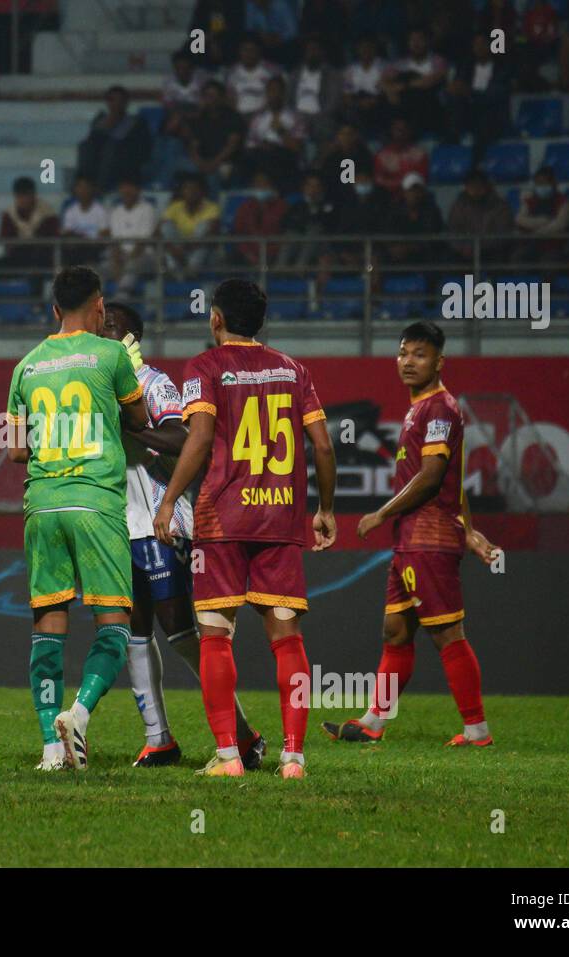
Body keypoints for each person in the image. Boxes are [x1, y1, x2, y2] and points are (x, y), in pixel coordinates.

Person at [154, 279, 337, 778]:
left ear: (216, 319)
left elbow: (201, 436)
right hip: (279, 517)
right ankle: (294, 757)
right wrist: (323, 508)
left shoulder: (205, 367)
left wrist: (169, 499)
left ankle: (230, 757)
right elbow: (322, 446)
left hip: (222, 518)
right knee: (286, 636)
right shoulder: (294, 369)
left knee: (215, 634)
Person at [99, 302, 267, 769]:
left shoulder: (154, 384)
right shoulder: (99, 389)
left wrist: (135, 429)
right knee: (132, 631)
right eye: (99, 326)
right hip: (117, 526)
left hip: (158, 521)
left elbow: (182, 437)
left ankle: (242, 735)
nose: (102, 333)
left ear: (132, 337)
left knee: (179, 631)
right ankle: (159, 739)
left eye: (111, 327)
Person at [324, 321, 500, 748]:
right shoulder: (419, 408)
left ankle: (477, 730)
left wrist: (380, 513)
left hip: (429, 539)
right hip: (411, 540)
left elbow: (432, 476)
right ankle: (373, 723)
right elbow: (454, 480)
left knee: (446, 634)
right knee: (396, 631)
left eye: (419, 354)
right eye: (404, 352)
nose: (408, 361)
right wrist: (472, 531)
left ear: (439, 361)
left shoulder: (439, 408)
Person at [5, 265, 150, 770]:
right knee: (113, 624)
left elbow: (16, 452)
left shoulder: (25, 366)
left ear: (53, 311)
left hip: (42, 503)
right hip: (95, 503)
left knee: (48, 622)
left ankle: (50, 746)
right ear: (99, 307)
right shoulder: (112, 355)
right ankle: (80, 714)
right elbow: (140, 421)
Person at [0, 176, 59, 299]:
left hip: (42, 259)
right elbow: (6, 240)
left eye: (25, 196)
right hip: (17, 257)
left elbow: (50, 240)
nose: (22, 200)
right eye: (19, 196)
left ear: (33, 195)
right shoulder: (9, 214)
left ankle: (36, 306)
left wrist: (28, 242)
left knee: (36, 271)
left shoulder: (47, 213)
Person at [446, 31, 512, 162]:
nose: (479, 47)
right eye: (476, 44)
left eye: (483, 44)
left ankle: (475, 163)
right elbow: (458, 87)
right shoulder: (466, 67)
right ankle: (451, 146)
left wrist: (469, 92)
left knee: (484, 125)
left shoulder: (502, 68)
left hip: (492, 114)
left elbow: (495, 95)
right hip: (468, 111)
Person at [76, 85, 151, 193]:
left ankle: (100, 188)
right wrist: (107, 125)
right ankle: (83, 184)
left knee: (111, 148)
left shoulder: (136, 122)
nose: (115, 103)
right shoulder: (100, 120)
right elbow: (93, 141)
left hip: (127, 163)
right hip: (101, 161)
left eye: (119, 100)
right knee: (85, 146)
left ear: (126, 102)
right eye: (111, 100)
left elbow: (142, 150)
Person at [243, 75, 306, 192]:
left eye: (278, 91)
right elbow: (249, 146)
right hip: (262, 158)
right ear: (266, 93)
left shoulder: (296, 117)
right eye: (271, 91)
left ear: (284, 94)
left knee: (276, 155)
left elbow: (297, 148)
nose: (275, 95)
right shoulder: (258, 117)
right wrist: (262, 145)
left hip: (285, 159)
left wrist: (281, 131)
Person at [180, 79, 245, 193]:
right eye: (206, 96)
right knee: (179, 165)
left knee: (213, 175)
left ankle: (213, 208)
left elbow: (232, 146)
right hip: (204, 161)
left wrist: (213, 164)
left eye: (213, 96)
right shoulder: (200, 118)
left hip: (227, 163)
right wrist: (199, 162)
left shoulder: (233, 117)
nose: (209, 99)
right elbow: (193, 146)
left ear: (222, 98)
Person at [381, 27, 448, 137]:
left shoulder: (437, 60)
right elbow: (382, 81)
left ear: (428, 41)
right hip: (403, 103)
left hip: (429, 103)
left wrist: (404, 85)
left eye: (420, 39)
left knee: (415, 89)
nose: (416, 43)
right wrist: (390, 90)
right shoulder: (401, 63)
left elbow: (431, 81)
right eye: (412, 40)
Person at [160, 172, 220, 280]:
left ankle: (190, 272)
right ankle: (175, 272)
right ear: (182, 191)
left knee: (203, 228)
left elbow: (211, 234)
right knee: (166, 227)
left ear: (202, 191)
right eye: (187, 188)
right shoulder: (175, 207)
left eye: (195, 189)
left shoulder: (211, 207)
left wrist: (184, 249)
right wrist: (173, 249)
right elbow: (157, 232)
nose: (191, 192)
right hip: (178, 249)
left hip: (200, 250)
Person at [446, 168, 513, 264]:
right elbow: (452, 231)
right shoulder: (459, 206)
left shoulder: (499, 205)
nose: (475, 189)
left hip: (491, 251)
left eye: (479, 185)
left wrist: (478, 247)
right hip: (464, 252)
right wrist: (464, 247)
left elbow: (503, 234)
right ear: (466, 186)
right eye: (472, 185)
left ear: (485, 185)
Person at [107, 175, 159, 295]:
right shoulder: (116, 211)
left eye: (131, 188)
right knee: (97, 269)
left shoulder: (147, 209)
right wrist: (115, 260)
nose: (127, 191)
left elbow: (142, 244)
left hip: (146, 256)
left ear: (138, 190)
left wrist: (124, 262)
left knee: (131, 266)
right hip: (123, 256)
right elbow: (116, 243)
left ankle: (121, 298)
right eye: (123, 188)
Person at [278, 168, 337, 270]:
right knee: (291, 235)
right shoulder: (296, 206)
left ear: (321, 188)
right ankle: (279, 269)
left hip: (322, 243)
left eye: (316, 186)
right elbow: (287, 223)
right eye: (310, 185)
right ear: (304, 188)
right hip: (299, 240)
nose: (313, 189)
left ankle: (299, 268)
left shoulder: (328, 205)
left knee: (314, 230)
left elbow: (328, 224)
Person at [513, 165, 569, 265]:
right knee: (518, 257)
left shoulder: (564, 202)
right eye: (538, 184)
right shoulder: (530, 200)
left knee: (549, 262)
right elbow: (520, 219)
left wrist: (535, 232)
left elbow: (559, 225)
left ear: (553, 183)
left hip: (555, 248)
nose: (541, 187)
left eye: (545, 183)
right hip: (532, 245)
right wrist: (544, 221)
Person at [289, 36, 342, 144]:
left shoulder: (333, 75)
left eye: (315, 49)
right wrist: (298, 117)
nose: (312, 53)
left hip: (322, 119)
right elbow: (288, 101)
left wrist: (313, 118)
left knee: (325, 128)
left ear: (322, 52)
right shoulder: (294, 75)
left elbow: (333, 103)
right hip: (297, 118)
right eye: (309, 50)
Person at [230, 169, 289, 266]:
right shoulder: (245, 207)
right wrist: (249, 254)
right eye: (257, 184)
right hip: (249, 252)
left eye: (264, 184)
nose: (261, 187)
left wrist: (270, 251)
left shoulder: (282, 206)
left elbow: (284, 233)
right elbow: (238, 233)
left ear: (272, 187)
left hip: (273, 252)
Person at [386, 172, 444, 266]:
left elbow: (433, 237)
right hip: (399, 256)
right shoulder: (395, 211)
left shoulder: (432, 211)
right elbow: (389, 234)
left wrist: (410, 247)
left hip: (425, 256)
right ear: (404, 193)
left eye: (417, 190)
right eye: (411, 191)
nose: (414, 194)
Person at [341, 35, 389, 137]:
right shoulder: (350, 70)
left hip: (378, 102)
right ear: (358, 50)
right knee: (349, 111)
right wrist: (359, 103)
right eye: (362, 47)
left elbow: (387, 90)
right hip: (357, 103)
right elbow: (346, 96)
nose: (366, 50)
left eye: (369, 47)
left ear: (375, 49)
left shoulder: (384, 66)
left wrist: (373, 101)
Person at [60, 174, 109, 266]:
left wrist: (85, 240)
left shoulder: (101, 211)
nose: (83, 191)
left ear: (92, 189)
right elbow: (67, 235)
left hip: (94, 252)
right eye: (80, 187)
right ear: (75, 189)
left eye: (86, 187)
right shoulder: (70, 211)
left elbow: (103, 236)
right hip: (76, 251)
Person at [226, 36, 280, 119]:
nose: (248, 54)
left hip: (264, 116)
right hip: (239, 117)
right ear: (240, 52)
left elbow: (276, 97)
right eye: (245, 50)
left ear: (259, 52)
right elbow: (230, 100)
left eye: (252, 50)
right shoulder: (232, 72)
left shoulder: (272, 71)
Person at [373, 117, 428, 195]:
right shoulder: (382, 156)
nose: (401, 133)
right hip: (388, 198)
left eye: (404, 129)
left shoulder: (420, 155)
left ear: (409, 131)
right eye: (397, 129)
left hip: (414, 197)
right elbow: (378, 180)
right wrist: (399, 183)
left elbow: (421, 180)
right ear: (391, 131)